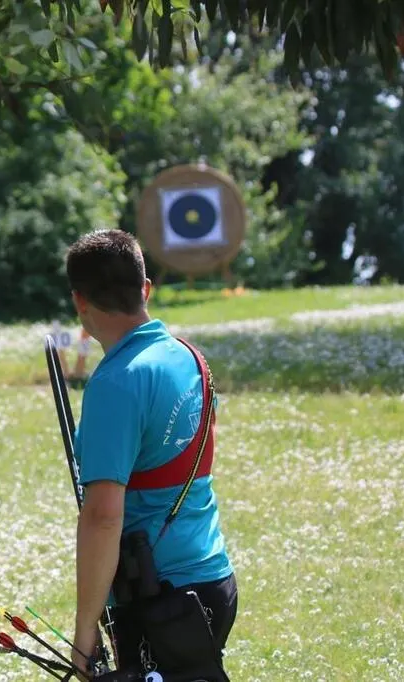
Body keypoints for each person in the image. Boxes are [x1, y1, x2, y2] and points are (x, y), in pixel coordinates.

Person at [63, 230, 237, 678]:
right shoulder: (189, 357)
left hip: (161, 598)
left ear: (80, 302)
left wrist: (84, 630)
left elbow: (103, 516)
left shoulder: (116, 383)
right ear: (145, 289)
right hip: (213, 581)